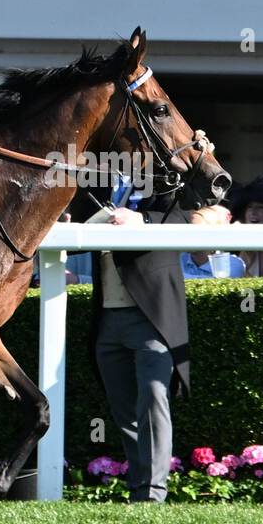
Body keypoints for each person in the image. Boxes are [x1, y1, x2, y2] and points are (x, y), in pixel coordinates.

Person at [88, 194, 192, 503]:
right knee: (124, 410)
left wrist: (142, 220)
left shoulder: (165, 184)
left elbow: (184, 220)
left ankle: (152, 493)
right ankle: (140, 488)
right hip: (106, 317)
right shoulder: (95, 181)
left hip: (152, 316)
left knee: (153, 397)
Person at [181, 205, 246, 278]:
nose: (188, 234)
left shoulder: (232, 264)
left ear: (213, 234)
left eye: (196, 231)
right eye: (187, 228)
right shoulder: (178, 259)